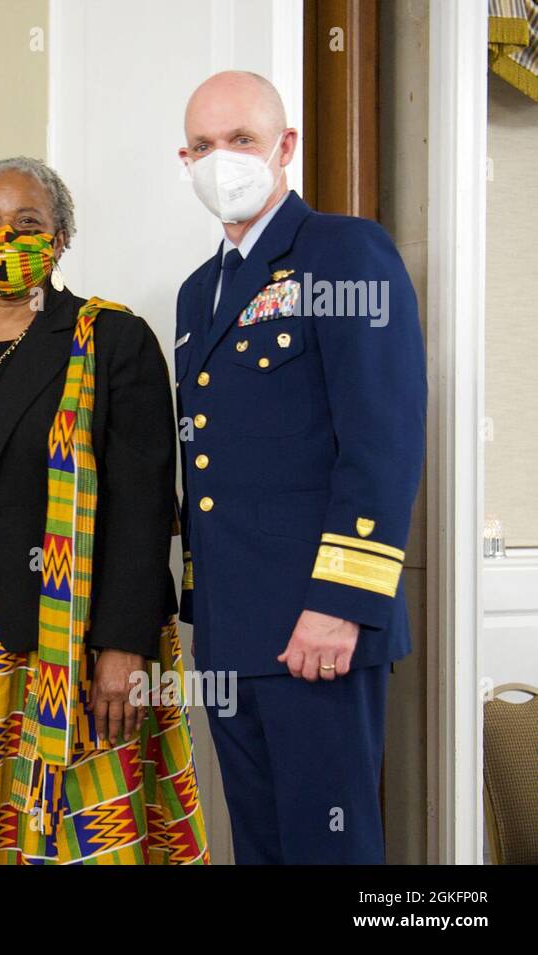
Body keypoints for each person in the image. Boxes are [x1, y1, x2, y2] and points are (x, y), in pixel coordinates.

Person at [0, 156, 210, 865]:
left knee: (61, 835)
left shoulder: (110, 339)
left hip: (64, 637)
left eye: (28, 224)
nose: (6, 237)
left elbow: (143, 507)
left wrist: (122, 647)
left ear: (59, 240)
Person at [175, 71, 426, 864]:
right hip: (232, 632)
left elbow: (382, 441)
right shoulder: (195, 293)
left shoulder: (342, 250)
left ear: (285, 147)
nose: (224, 160)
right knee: (261, 848)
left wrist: (341, 604)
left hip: (318, 625)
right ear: (185, 160)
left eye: (242, 140)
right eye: (206, 146)